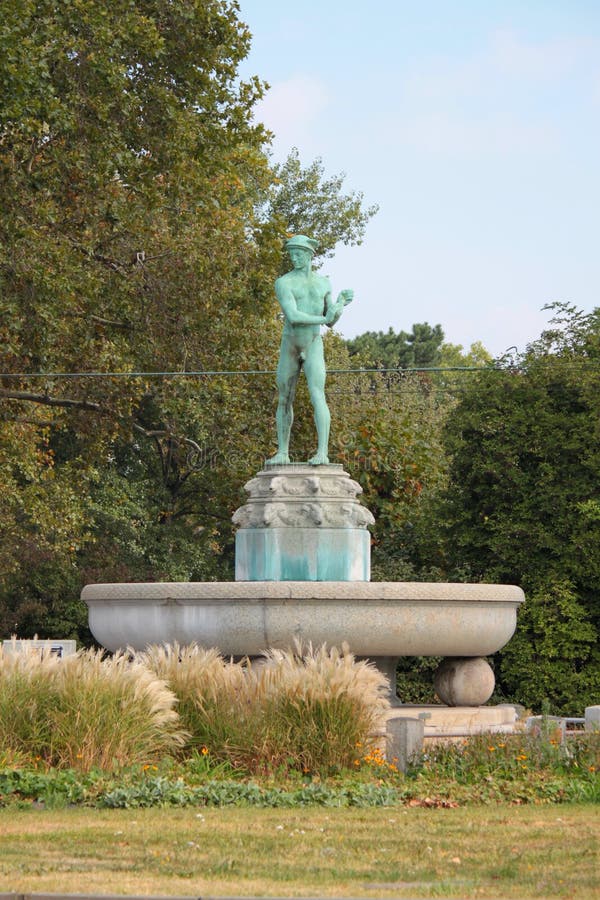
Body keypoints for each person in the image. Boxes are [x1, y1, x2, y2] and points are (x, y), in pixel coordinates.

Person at [267, 234, 353, 466]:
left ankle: (322, 452)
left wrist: (340, 307)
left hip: (314, 343)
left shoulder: (323, 282)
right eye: (291, 253)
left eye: (299, 253)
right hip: (291, 344)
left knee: (318, 395)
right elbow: (293, 316)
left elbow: (330, 321)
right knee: (285, 397)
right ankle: (283, 452)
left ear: (309, 255)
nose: (294, 257)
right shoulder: (284, 282)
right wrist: (324, 317)